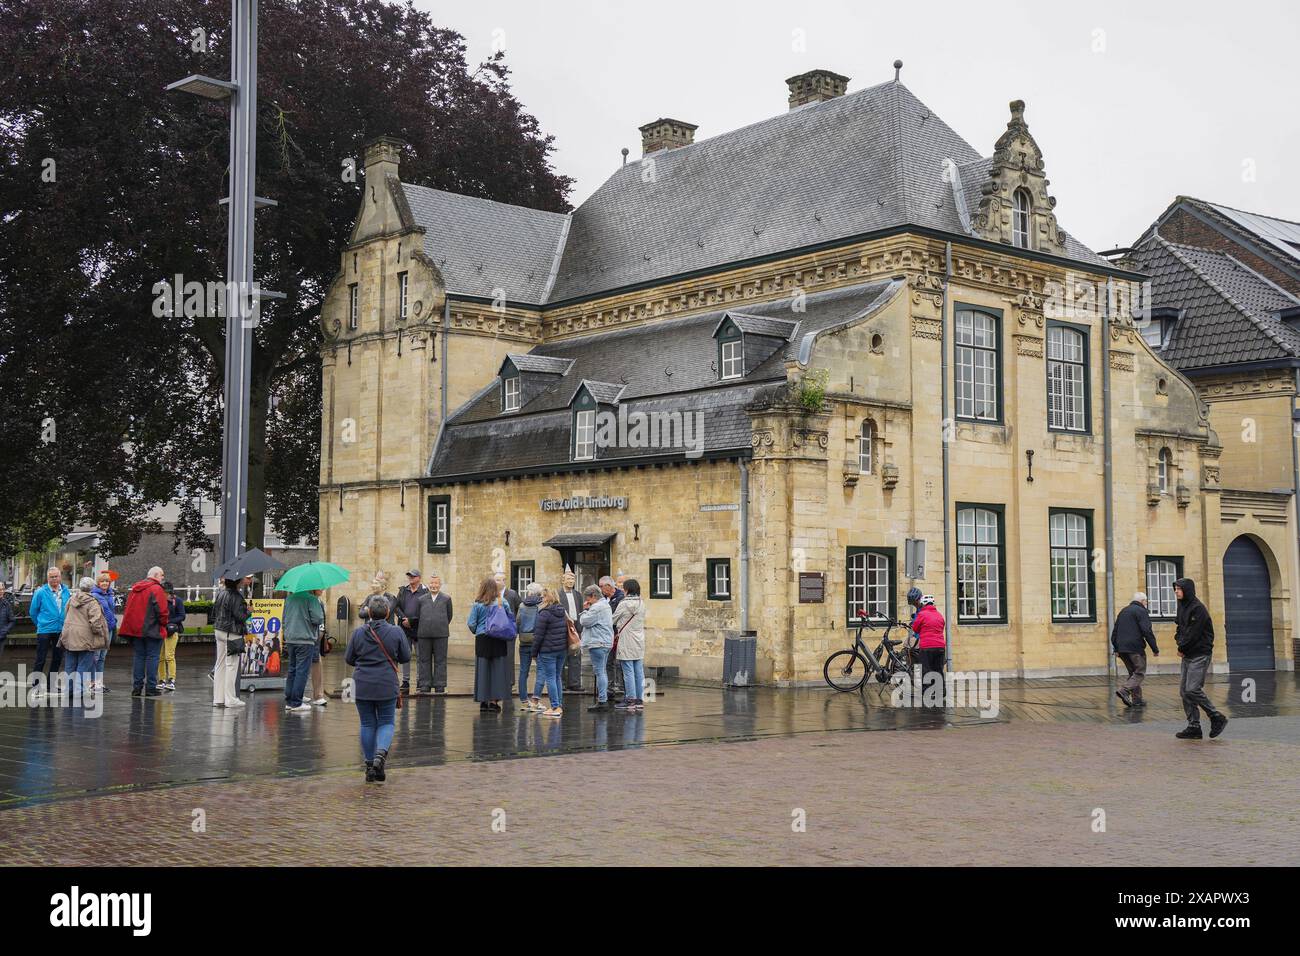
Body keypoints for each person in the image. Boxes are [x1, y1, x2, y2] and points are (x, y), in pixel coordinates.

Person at [345, 594, 411, 782]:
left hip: (363, 684)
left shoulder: (358, 633)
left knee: (367, 723)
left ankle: (369, 765)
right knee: (386, 722)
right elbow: (405, 657)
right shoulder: (396, 632)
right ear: (388, 612)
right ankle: (380, 756)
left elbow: (349, 659)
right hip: (386, 684)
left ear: (369, 613)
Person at [1173, 578, 1228, 740]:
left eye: (1179, 589)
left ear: (1187, 590)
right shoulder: (1181, 606)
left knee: (1192, 689)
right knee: (1184, 692)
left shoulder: (1198, 609)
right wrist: (1179, 642)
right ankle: (1194, 726)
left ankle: (1216, 716)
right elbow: (1180, 628)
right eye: (1175, 589)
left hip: (1200, 654)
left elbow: (1194, 634)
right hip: (1187, 654)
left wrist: (1182, 647)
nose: (1176, 591)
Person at [119, 567, 170, 697]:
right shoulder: (156, 589)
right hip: (152, 629)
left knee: (139, 657)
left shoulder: (136, 588)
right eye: (162, 575)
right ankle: (151, 688)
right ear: (155, 575)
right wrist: (164, 623)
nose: (163, 578)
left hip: (136, 630)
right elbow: (162, 611)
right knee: (153, 658)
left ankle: (137, 687)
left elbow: (129, 609)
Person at [58, 577, 109, 699]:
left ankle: (69, 691)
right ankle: (79, 691)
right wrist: (100, 634)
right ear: (92, 588)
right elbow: (96, 622)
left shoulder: (71, 599)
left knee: (70, 665)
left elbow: (65, 614)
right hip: (86, 638)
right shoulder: (92, 602)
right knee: (83, 665)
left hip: (70, 636)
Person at [468, 576, 512, 711]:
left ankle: (483, 701)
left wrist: (478, 631)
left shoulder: (477, 604)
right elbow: (509, 618)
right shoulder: (502, 602)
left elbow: (471, 623)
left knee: (483, 670)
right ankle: (494, 701)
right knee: (498, 671)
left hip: (483, 638)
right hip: (498, 638)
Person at [1111, 591, 1159, 708]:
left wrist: (1116, 648)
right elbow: (1147, 631)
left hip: (1122, 648)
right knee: (1139, 673)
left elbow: (1115, 632)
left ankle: (1137, 699)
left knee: (1133, 673)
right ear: (1142, 601)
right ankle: (1124, 690)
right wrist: (1154, 648)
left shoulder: (1123, 611)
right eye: (1146, 601)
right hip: (1135, 648)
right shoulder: (1141, 611)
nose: (1146, 603)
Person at [282, 588, 325, 713]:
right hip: (305, 639)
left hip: (291, 638)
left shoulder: (289, 599)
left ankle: (290, 701)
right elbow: (317, 619)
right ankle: (296, 702)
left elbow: (284, 618)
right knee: (302, 671)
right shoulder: (312, 599)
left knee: (292, 670)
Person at [29, 567, 70, 692]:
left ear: (60, 576)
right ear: (48, 578)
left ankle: (50, 685)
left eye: (56, 576)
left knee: (57, 658)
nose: (54, 579)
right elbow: (33, 611)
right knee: (41, 658)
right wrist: (40, 624)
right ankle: (35, 684)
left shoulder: (66, 590)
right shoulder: (41, 592)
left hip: (60, 629)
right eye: (52, 577)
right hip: (45, 630)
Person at [211, 576, 250, 708]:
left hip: (219, 630)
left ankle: (218, 698)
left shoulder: (220, 594)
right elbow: (240, 617)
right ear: (237, 581)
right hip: (231, 633)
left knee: (220, 664)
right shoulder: (237, 597)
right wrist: (249, 612)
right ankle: (230, 699)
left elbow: (213, 612)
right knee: (231, 665)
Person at [531, 588, 569, 718]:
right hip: (562, 649)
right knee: (557, 677)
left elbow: (538, 636)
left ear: (547, 598)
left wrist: (534, 653)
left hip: (548, 651)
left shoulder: (544, 613)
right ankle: (559, 705)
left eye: (543, 596)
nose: (541, 599)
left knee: (551, 678)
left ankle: (555, 707)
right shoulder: (562, 611)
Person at [612, 578, 646, 712]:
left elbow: (612, 620)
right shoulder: (642, 603)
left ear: (626, 590)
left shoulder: (623, 604)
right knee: (638, 670)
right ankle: (639, 699)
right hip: (639, 638)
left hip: (626, 638)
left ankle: (630, 699)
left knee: (628, 670)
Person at [416, 572, 453, 694]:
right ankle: (425, 684)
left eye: (436, 583)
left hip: (441, 634)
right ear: (428, 584)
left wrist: (440, 625)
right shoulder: (421, 600)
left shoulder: (446, 599)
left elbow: (449, 616)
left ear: (440, 584)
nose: (434, 585)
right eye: (431, 583)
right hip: (424, 634)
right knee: (424, 660)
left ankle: (439, 684)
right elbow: (418, 615)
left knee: (440, 660)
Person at [579, 584, 614, 712]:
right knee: (602, 671)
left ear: (593, 596)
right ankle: (602, 698)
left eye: (588, 598)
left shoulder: (597, 607)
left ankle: (602, 700)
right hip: (606, 642)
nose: (587, 601)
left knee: (600, 672)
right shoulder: (605, 605)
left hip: (597, 642)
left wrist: (584, 611)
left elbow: (584, 621)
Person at [394, 569, 428, 693]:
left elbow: (426, 609)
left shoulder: (425, 591)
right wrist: (404, 618)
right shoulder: (403, 590)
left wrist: (412, 621)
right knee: (405, 655)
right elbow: (396, 606)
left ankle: (420, 681)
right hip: (404, 628)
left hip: (419, 628)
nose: (411, 578)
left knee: (420, 656)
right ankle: (406, 681)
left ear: (419, 577)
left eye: (413, 576)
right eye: (409, 576)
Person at [910, 594, 946, 707]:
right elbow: (941, 627)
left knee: (926, 670)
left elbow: (915, 628)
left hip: (927, 647)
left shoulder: (922, 614)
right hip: (940, 646)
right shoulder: (939, 615)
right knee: (938, 669)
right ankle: (941, 691)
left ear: (923, 604)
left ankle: (927, 692)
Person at [515, 582, 543, 709]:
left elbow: (518, 622)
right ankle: (536, 699)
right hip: (538, 641)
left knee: (523, 671)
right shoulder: (541, 605)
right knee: (541, 670)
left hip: (524, 640)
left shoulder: (522, 605)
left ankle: (524, 700)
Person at [599, 575, 627, 697]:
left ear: (609, 586)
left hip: (618, 635)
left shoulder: (621, 598)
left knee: (619, 662)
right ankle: (610, 687)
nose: (600, 589)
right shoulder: (602, 598)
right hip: (606, 635)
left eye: (601, 586)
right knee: (608, 662)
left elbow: (614, 616)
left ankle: (621, 686)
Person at [90, 573, 117, 693]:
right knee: (95, 657)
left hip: (109, 628)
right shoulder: (94, 595)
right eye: (103, 581)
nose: (105, 583)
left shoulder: (110, 594)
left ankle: (99, 682)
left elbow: (111, 610)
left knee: (102, 657)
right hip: (99, 629)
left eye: (107, 581)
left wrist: (114, 621)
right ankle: (91, 682)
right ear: (98, 583)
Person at [559, 569, 585, 691]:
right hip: (563, 628)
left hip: (576, 628)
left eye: (573, 579)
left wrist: (580, 626)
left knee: (576, 655)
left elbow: (581, 611)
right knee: (562, 656)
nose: (571, 581)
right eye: (568, 579)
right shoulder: (558, 594)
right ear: (563, 580)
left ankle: (574, 683)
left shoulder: (578, 595)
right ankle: (562, 683)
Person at [158, 581, 186, 692]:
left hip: (172, 631)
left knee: (169, 655)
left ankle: (171, 679)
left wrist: (169, 622)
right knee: (160, 657)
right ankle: (161, 680)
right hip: (160, 631)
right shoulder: (159, 601)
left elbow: (182, 616)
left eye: (164, 592)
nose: (163, 594)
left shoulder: (177, 601)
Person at [0, 580, 16, 665]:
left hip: (1, 637)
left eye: (2, 589)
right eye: (0, 589)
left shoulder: (6, 604)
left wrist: (4, 631)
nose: (2, 591)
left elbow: (12, 620)